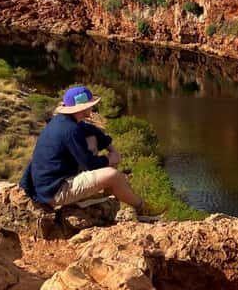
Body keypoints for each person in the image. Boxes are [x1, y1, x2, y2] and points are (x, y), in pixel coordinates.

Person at [20, 85, 166, 221]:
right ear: (82, 108)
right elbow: (88, 164)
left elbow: (91, 130)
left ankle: (101, 190)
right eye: (90, 105)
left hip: (50, 183)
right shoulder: (70, 130)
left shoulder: (63, 121)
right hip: (55, 192)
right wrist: (109, 160)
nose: (93, 108)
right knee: (113, 175)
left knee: (91, 139)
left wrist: (111, 148)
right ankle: (142, 209)